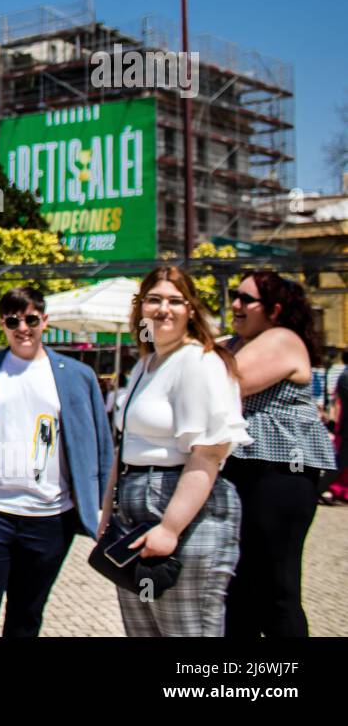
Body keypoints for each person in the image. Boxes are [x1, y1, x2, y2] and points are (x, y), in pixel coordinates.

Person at [0, 286, 113, 637]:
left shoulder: (76, 376)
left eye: (31, 319)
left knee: (27, 614)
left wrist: (101, 506)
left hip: (51, 516)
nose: (23, 327)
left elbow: (98, 443)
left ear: (45, 321)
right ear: (2, 324)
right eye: (13, 320)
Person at [101, 267, 250, 636]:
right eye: (154, 299)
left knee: (188, 631)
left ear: (192, 310)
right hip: (135, 514)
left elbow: (209, 452)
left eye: (174, 300)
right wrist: (106, 514)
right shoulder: (146, 364)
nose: (163, 309)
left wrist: (170, 527)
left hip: (183, 513)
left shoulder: (199, 362)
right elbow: (125, 449)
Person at [223, 271, 337, 636]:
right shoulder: (235, 342)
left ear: (274, 309)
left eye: (245, 299)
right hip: (242, 473)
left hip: (279, 475)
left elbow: (223, 382)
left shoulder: (282, 339)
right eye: (233, 295)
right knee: (238, 588)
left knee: (276, 588)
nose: (235, 305)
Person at [325, 349, 348, 505]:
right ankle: (325, 488)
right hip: (345, 424)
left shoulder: (343, 374)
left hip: (343, 423)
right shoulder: (345, 376)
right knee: (341, 460)